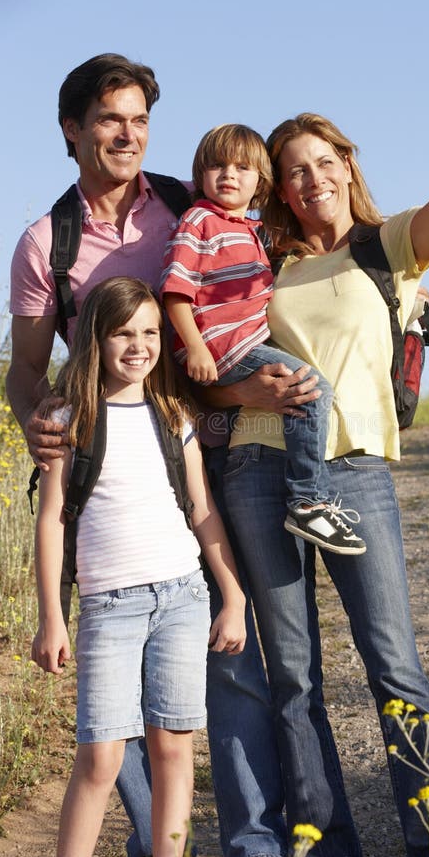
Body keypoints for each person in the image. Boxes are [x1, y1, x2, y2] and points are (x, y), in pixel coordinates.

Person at [206, 91, 429, 857]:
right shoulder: (257, 259)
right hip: (259, 472)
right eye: (292, 172)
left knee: (394, 663)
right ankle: (328, 848)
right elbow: (214, 364)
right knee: (294, 678)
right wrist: (243, 393)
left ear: (346, 165)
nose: (310, 181)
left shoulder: (387, 246)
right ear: (276, 186)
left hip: (355, 474)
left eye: (322, 163)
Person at [7, 53, 287, 857]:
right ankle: (152, 844)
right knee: (110, 717)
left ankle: (251, 847)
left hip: (204, 442)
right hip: (102, 471)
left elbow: (253, 271)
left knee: (223, 670)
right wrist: (43, 428)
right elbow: (26, 373)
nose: (128, 135)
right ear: (72, 130)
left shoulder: (185, 207)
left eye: (139, 119)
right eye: (108, 120)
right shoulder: (45, 244)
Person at [31, 276, 247, 857]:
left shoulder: (174, 415)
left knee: (174, 749)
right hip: (109, 607)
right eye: (123, 332)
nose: (139, 345)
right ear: (95, 339)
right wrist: (53, 619)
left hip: (183, 598)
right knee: (100, 758)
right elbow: (51, 522)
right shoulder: (68, 419)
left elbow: (201, 511)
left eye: (150, 332)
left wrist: (232, 595)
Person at [161, 123, 364, 555]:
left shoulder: (254, 232)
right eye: (217, 165)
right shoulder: (200, 220)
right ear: (200, 175)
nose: (228, 175)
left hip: (243, 346)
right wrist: (195, 347)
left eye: (242, 167)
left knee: (294, 397)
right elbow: (176, 290)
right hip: (223, 347)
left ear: (261, 183)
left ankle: (301, 492)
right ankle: (309, 500)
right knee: (312, 389)